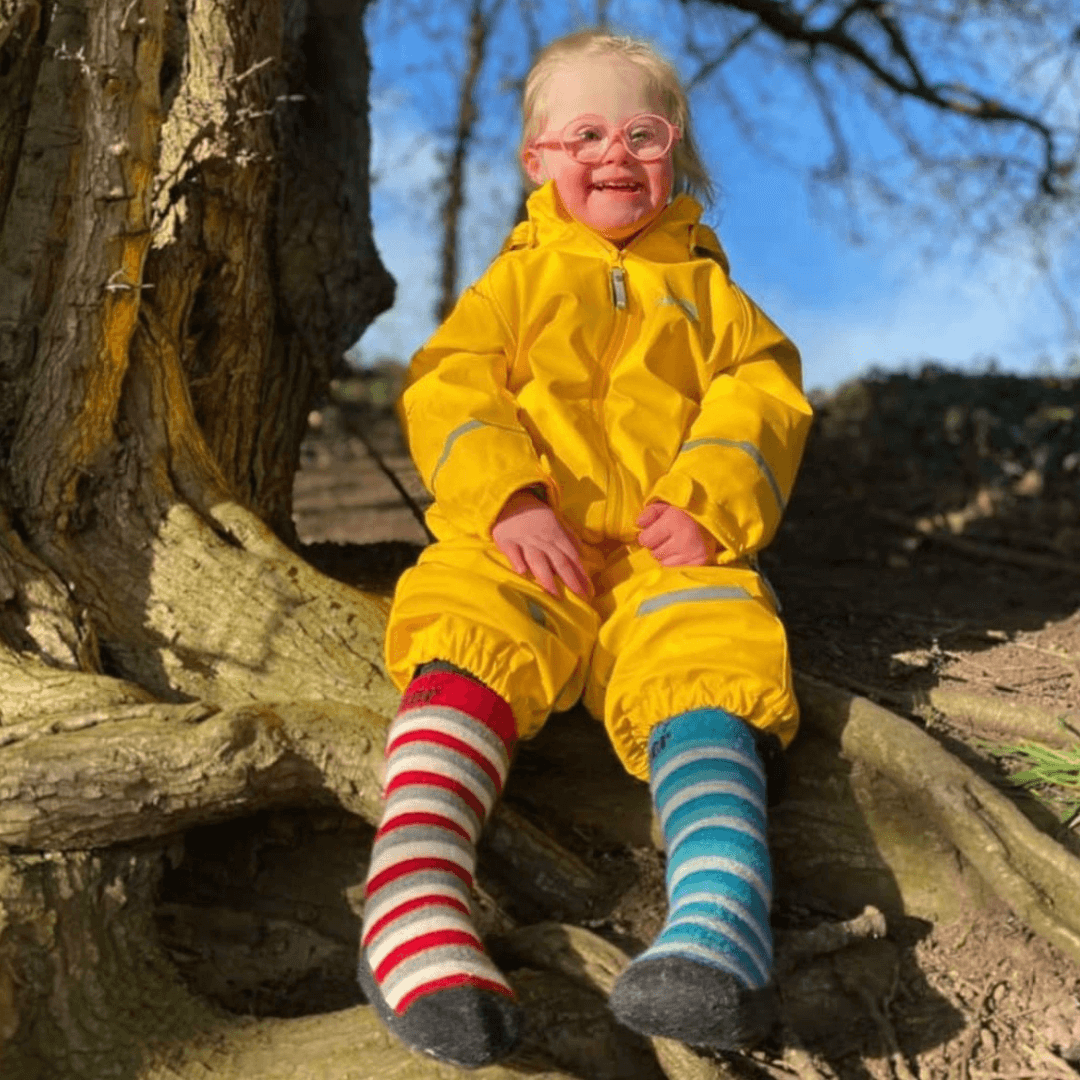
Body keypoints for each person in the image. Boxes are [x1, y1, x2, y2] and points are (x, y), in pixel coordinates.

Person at [357, 27, 814, 1070]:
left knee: (709, 647)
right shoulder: (513, 286)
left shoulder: (712, 297)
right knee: (472, 621)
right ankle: (413, 888)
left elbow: (762, 405)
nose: (617, 153)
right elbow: (452, 389)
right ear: (539, 161)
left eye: (643, 134)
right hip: (531, 538)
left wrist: (708, 502)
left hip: (665, 549)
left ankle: (720, 913)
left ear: (675, 151)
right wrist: (508, 498)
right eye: (587, 135)